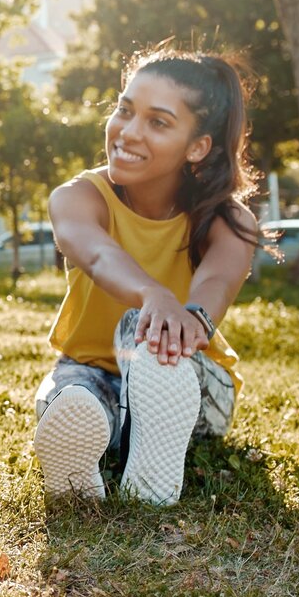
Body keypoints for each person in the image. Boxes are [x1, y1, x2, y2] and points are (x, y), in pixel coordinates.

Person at [33, 47, 268, 506]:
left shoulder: (228, 220)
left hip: (186, 374)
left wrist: (188, 318)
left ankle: (147, 438)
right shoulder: (78, 197)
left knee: (142, 329)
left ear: (197, 147)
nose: (128, 131)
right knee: (70, 397)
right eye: (125, 111)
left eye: (158, 122)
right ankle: (98, 442)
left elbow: (217, 283)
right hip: (93, 368)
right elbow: (97, 254)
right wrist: (152, 293)